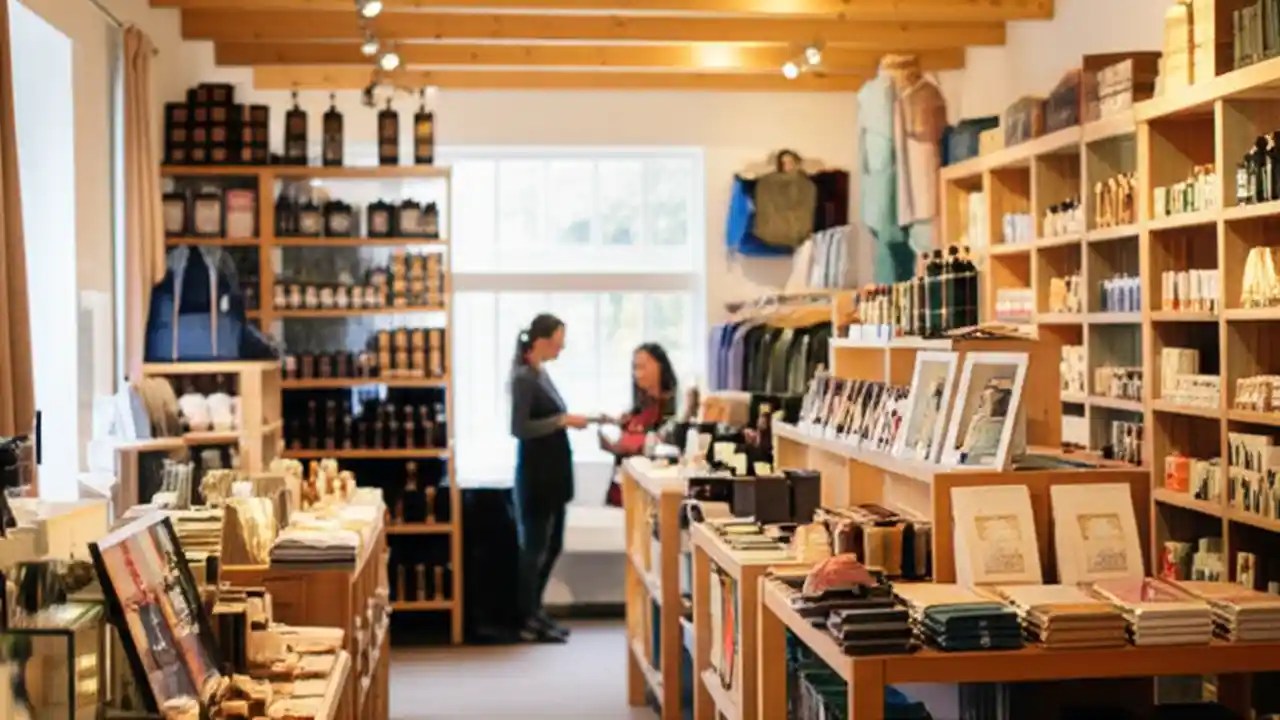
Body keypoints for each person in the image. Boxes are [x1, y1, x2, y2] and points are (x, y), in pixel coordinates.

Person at [509, 313, 589, 643]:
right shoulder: (524, 378)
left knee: (552, 545)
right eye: (559, 338)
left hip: (552, 473)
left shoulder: (540, 374)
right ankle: (526, 616)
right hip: (537, 476)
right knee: (536, 548)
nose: (563, 346)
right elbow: (519, 428)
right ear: (543, 340)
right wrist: (560, 422)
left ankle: (536, 611)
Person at [601, 343, 677, 507]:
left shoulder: (673, 407)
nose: (638, 373)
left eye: (643, 366)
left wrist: (634, 443)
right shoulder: (637, 409)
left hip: (650, 492)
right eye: (635, 368)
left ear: (661, 366)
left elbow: (667, 445)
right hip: (622, 490)